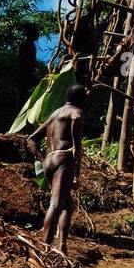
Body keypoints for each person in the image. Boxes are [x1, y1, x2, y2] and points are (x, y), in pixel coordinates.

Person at [27, 84, 87, 256]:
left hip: (50, 160)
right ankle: (44, 251)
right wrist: (76, 173)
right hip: (63, 160)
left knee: (68, 205)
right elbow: (76, 129)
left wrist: (42, 159)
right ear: (81, 99)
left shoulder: (55, 114)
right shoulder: (76, 112)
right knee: (56, 204)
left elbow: (31, 140)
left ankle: (62, 246)